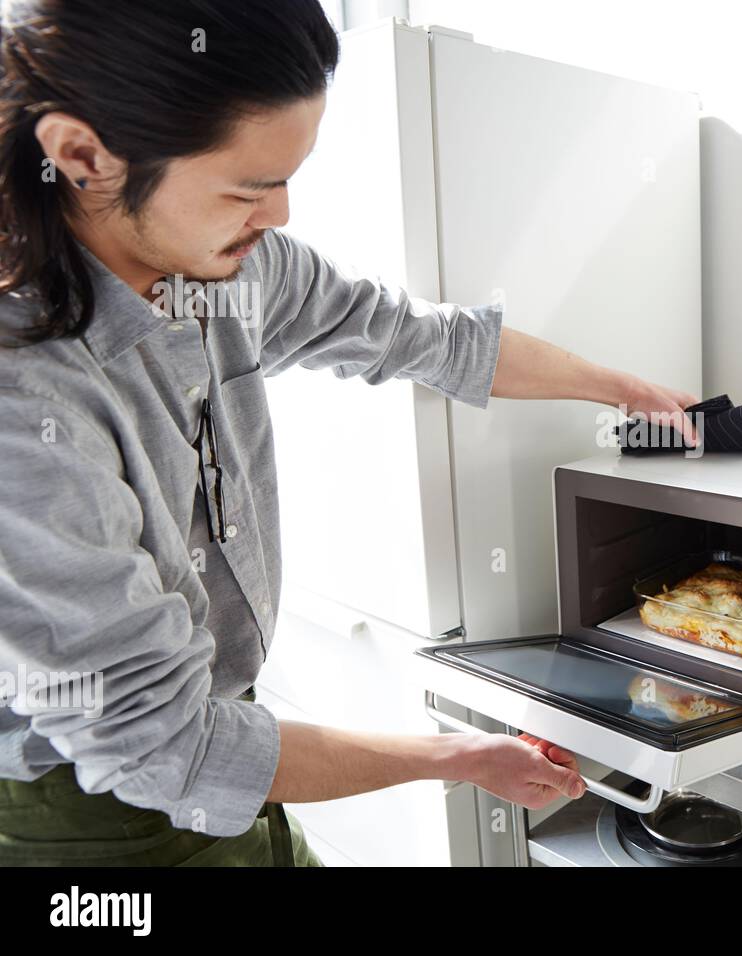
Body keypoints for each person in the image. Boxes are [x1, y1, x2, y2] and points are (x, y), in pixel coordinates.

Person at [0, 0, 698, 866]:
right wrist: (462, 756)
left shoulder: (227, 272)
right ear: (82, 158)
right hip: (87, 806)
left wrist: (622, 388)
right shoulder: (26, 401)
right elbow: (164, 749)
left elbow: (424, 340)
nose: (282, 215)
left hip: (230, 732)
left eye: (290, 177)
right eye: (249, 188)